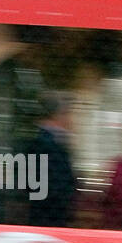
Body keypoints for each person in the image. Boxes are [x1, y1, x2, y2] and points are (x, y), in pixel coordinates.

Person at [26, 92, 78, 227]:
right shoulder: (47, 144)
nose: (71, 119)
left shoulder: (50, 141)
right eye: (68, 114)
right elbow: (55, 184)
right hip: (49, 218)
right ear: (59, 115)